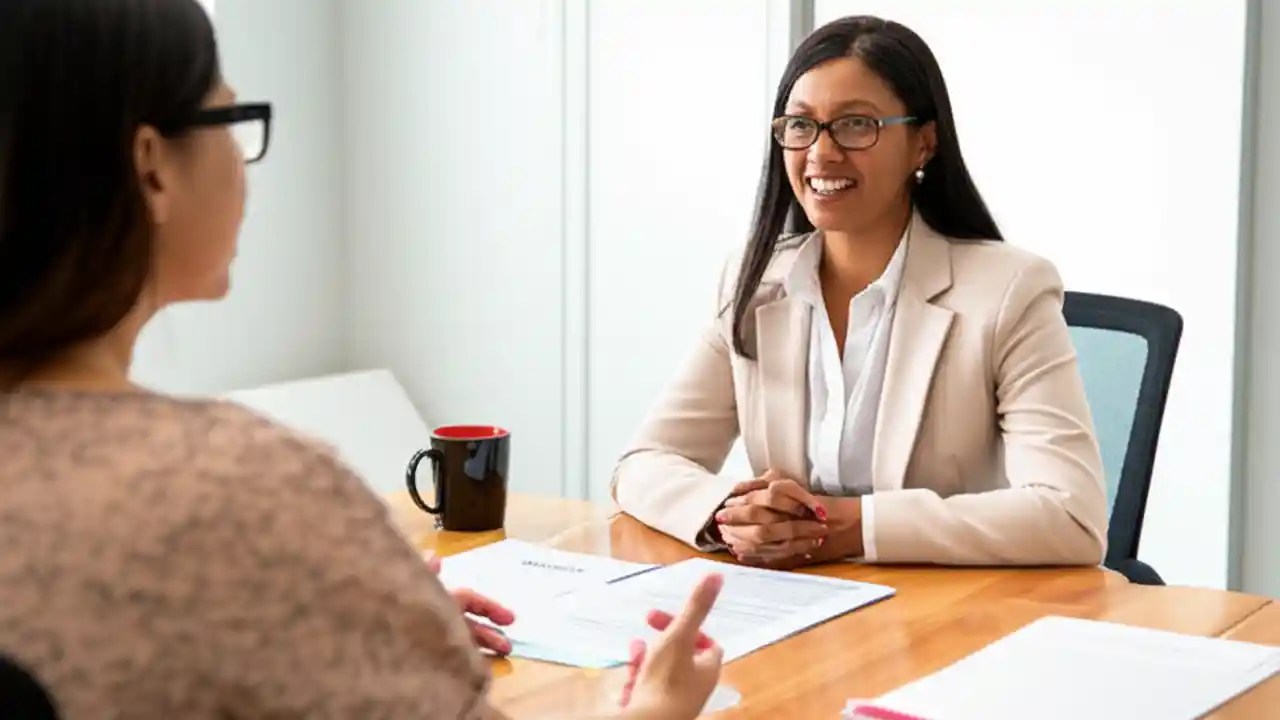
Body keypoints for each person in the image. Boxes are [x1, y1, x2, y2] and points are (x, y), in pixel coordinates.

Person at [0, 1, 722, 718]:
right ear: (151, 168)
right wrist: (655, 710)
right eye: (231, 120)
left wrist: (348, 613)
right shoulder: (247, 489)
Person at [611, 15, 1108, 569]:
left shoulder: (1008, 292)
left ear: (923, 143)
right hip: (793, 604)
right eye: (801, 126)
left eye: (856, 125)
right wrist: (733, 512)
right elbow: (644, 463)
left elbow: (1071, 516)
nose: (821, 154)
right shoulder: (753, 284)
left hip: (949, 614)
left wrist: (846, 527)